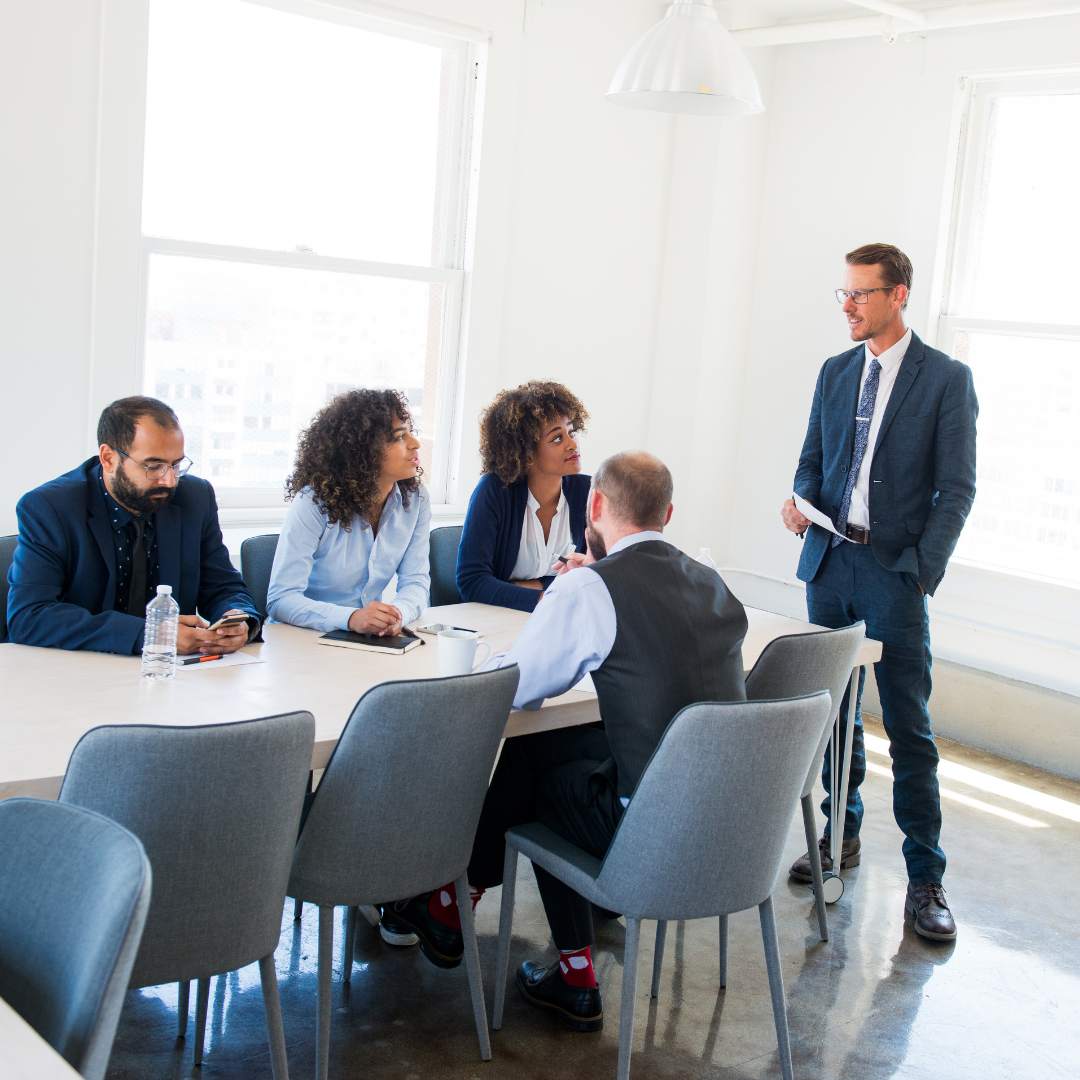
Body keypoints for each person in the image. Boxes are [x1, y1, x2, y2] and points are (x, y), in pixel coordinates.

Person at [381, 452, 748, 1031]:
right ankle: (465, 914)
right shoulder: (713, 582)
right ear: (669, 515)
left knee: (536, 772)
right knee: (567, 744)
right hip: (737, 833)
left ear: (595, 505)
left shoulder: (590, 589)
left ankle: (469, 915)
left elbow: (515, 688)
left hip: (649, 835)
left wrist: (566, 596)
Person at [781, 243, 978, 942]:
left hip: (895, 575)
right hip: (830, 566)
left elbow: (958, 488)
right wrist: (800, 501)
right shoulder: (835, 372)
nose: (848, 306)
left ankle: (926, 878)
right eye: (843, 293)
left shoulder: (946, 380)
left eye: (861, 294)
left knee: (909, 728)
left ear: (898, 296)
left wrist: (921, 570)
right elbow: (813, 459)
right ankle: (842, 836)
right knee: (837, 716)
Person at [8, 396, 259, 655]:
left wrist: (238, 618)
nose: (170, 481)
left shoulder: (195, 497)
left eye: (176, 465)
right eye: (154, 466)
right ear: (108, 459)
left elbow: (222, 585)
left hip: (173, 675)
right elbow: (29, 616)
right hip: (79, 672)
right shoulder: (49, 507)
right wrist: (151, 634)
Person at [267, 389, 430, 636]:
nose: (415, 443)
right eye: (399, 437)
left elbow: (416, 582)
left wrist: (396, 614)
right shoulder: (313, 501)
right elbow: (281, 599)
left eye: (410, 432)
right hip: (302, 639)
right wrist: (351, 618)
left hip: (363, 640)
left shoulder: (415, 499)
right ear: (363, 450)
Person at [456, 381, 591, 612]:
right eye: (557, 438)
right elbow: (472, 581)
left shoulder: (587, 491)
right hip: (495, 620)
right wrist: (545, 599)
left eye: (571, 432)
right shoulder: (494, 491)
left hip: (558, 616)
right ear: (526, 453)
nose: (572, 444)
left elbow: (594, 574)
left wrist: (537, 586)